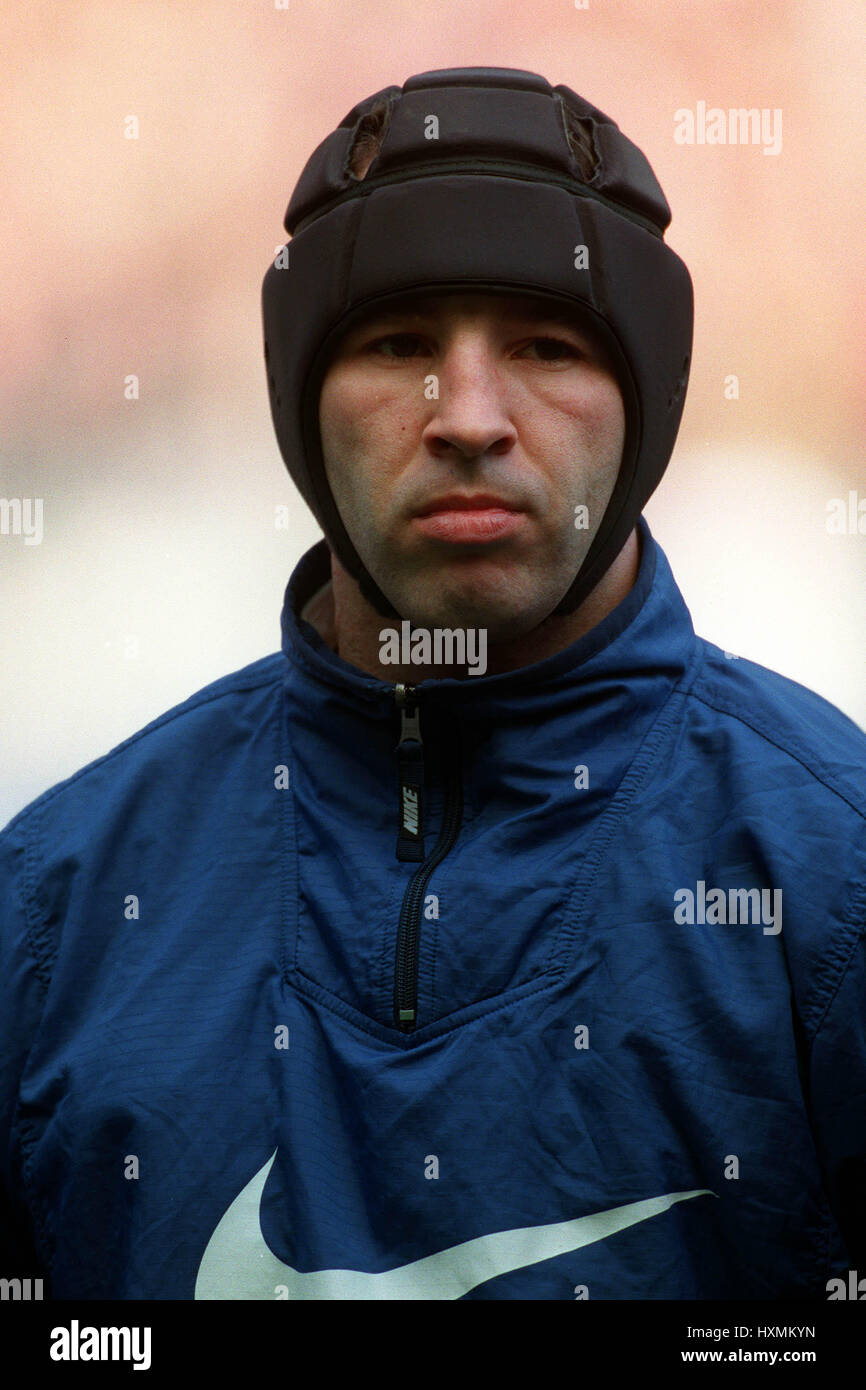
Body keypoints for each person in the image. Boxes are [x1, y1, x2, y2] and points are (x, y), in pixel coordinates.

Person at [1, 65, 864, 1302]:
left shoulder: (828, 881)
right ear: (301, 407)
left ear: (647, 406)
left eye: (545, 344)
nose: (465, 414)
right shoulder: (58, 909)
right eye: (396, 343)